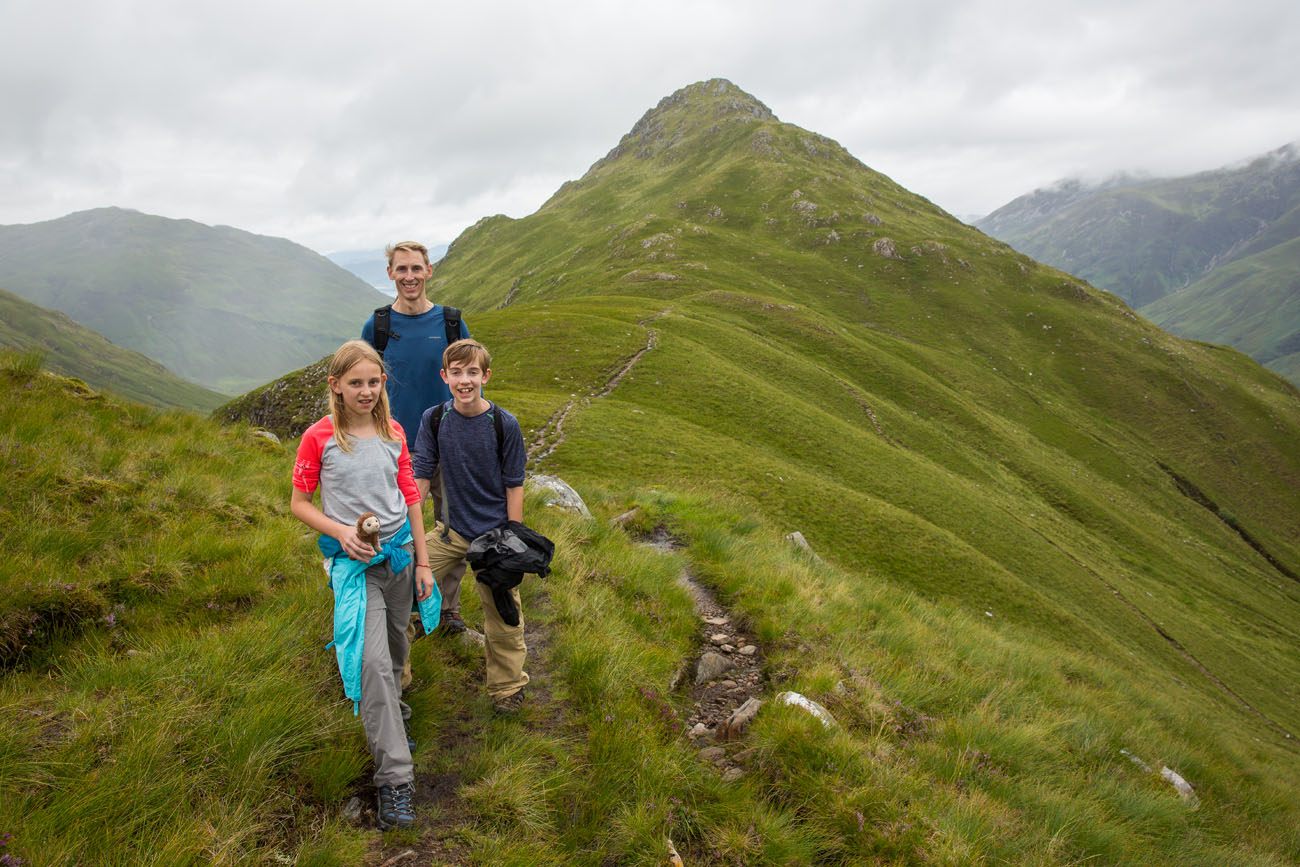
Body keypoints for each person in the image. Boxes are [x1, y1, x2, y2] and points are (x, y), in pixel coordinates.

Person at [290, 339, 437, 830]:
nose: (366, 391)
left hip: (400, 557)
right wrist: (341, 532)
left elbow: (411, 495)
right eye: (356, 383)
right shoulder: (319, 437)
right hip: (354, 565)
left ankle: (393, 716)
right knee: (370, 659)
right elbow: (299, 502)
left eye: (374, 382)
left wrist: (423, 562)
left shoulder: (393, 430)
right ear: (335, 385)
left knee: (396, 649)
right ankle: (395, 777)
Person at [361, 241, 473, 646]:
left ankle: (447, 610)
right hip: (394, 445)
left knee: (452, 525)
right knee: (393, 527)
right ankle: (397, 603)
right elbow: (365, 381)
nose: (409, 276)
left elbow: (468, 374)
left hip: (448, 442)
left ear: (429, 271)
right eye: (401, 269)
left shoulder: (450, 322)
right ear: (390, 273)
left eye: (416, 268)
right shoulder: (378, 326)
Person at [413, 338, 530, 713]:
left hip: (495, 537)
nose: (465, 381)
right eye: (457, 373)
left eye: (473, 373)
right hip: (450, 532)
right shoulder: (433, 419)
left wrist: (514, 536)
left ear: (486, 376)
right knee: (399, 586)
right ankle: (393, 682)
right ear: (444, 376)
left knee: (504, 615)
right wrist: (405, 530)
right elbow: (419, 477)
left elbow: (515, 483)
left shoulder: (504, 424)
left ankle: (507, 689)